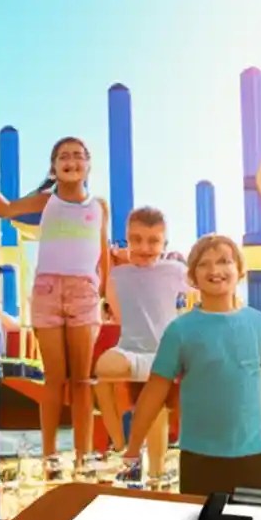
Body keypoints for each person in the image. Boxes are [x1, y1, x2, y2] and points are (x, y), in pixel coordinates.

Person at [0, 137, 110, 480]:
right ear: (53, 168)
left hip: (84, 292)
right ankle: (51, 457)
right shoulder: (47, 201)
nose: (71, 161)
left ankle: (84, 457)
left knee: (83, 379)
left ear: (88, 164)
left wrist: (107, 295)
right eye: (63, 157)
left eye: (78, 156)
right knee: (54, 378)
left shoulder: (99, 207)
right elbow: (5, 209)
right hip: (48, 291)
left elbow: (103, 254)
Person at [117, 234, 261, 494]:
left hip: (252, 455)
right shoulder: (181, 330)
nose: (215, 270)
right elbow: (154, 392)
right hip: (200, 457)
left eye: (224, 261)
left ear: (240, 270)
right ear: (192, 276)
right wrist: (133, 449)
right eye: (204, 264)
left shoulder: (260, 324)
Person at [93, 207, 188, 484]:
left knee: (154, 403)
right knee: (103, 369)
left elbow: (203, 282)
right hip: (132, 351)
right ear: (127, 240)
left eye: (154, 241)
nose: (145, 247)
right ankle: (123, 447)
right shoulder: (119, 275)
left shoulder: (174, 270)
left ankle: (157, 470)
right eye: (137, 240)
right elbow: (120, 314)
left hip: (164, 353)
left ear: (165, 244)